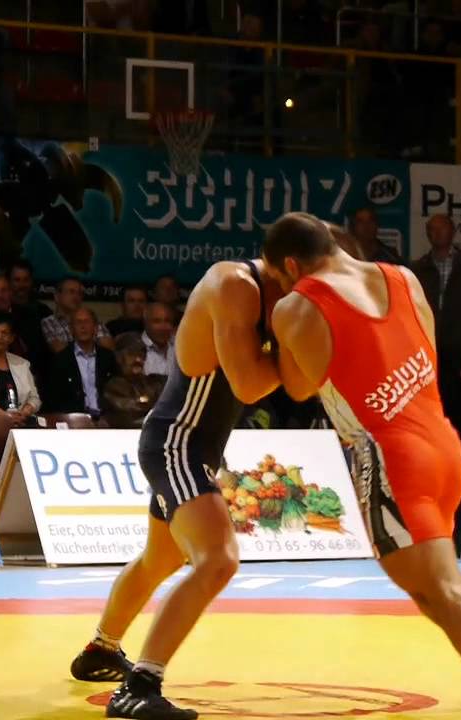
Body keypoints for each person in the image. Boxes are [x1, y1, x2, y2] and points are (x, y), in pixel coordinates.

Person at [265, 212, 461, 720]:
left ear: (291, 264)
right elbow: (419, 348)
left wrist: (277, 320)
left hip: (391, 458)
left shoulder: (296, 307)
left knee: (431, 589)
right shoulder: (406, 278)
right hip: (440, 441)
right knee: (446, 576)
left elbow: (298, 386)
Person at [75, 257, 284, 720]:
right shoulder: (237, 285)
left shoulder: (262, 297)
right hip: (178, 444)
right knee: (219, 560)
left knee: (161, 560)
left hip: (188, 445)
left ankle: (101, 650)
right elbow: (250, 386)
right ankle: (140, 685)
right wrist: (306, 357)